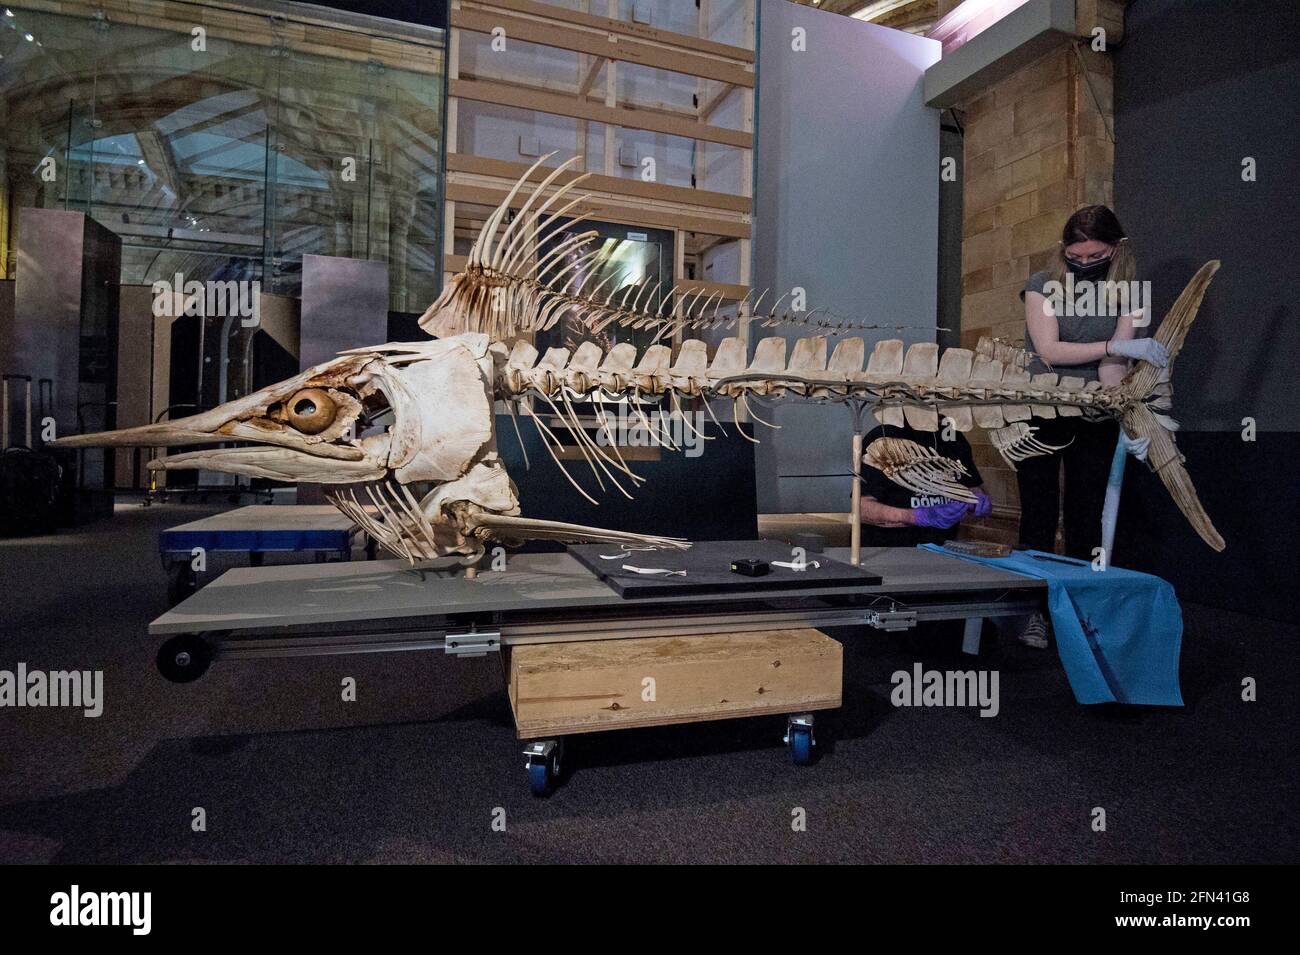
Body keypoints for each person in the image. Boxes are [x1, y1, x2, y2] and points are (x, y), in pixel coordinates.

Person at [1014, 205, 1168, 647]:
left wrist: (1126, 415)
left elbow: (1112, 366)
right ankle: (1031, 612)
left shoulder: (1131, 291)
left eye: (1094, 256)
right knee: (1038, 515)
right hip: (1038, 408)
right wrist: (1115, 342)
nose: (1083, 264)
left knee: (1086, 517)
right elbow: (1049, 350)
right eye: (1075, 257)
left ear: (1116, 249)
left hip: (1095, 410)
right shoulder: (1042, 284)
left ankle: (1075, 611)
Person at [856, 421, 990, 548]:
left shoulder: (953, 436)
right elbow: (861, 508)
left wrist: (976, 500)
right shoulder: (882, 437)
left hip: (943, 547)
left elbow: (970, 485)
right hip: (890, 547)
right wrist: (914, 516)